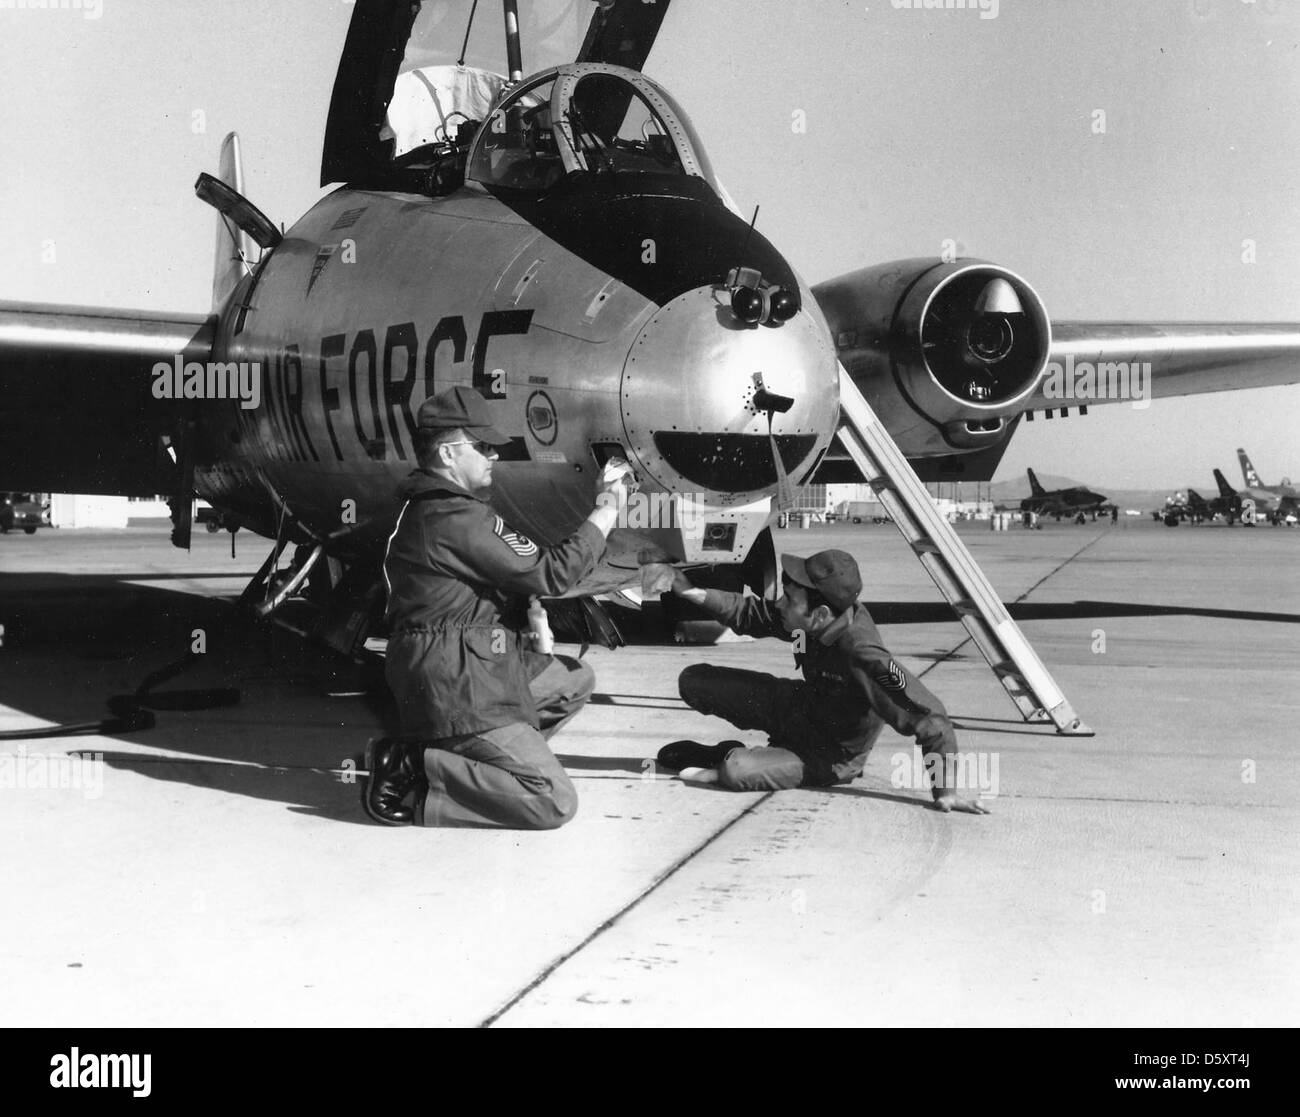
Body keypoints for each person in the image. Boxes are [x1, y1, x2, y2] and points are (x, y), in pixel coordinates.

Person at [365, 385, 630, 828]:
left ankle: (479, 766)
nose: (494, 455)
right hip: (457, 683)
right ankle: (416, 769)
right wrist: (605, 511)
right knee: (552, 801)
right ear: (449, 454)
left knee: (573, 679)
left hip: (464, 667)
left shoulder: (449, 511)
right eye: (483, 446)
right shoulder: (453, 517)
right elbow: (550, 573)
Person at [646, 549, 987, 813]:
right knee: (694, 680)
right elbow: (750, 613)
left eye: (789, 599)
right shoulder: (808, 617)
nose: (779, 603)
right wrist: (687, 590)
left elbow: (931, 718)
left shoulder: (863, 654)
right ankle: (733, 757)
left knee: (736, 772)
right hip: (799, 707)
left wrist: (946, 790)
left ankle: (726, 758)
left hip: (827, 755)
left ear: (820, 615)